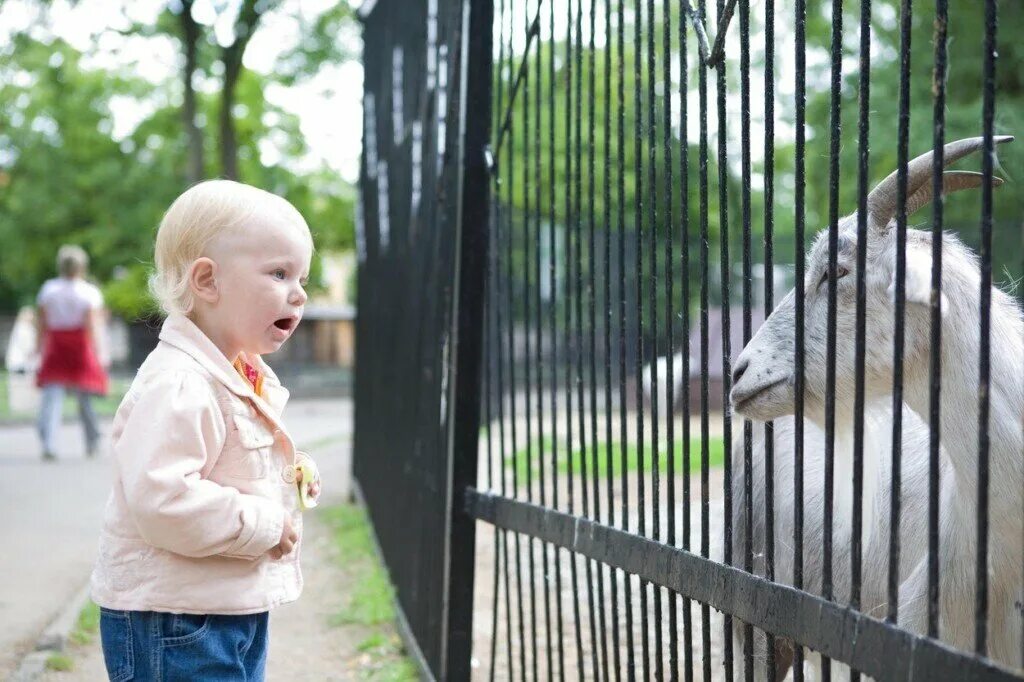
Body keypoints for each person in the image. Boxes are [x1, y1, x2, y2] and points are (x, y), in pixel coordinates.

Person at [91, 180, 323, 681]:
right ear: (207, 281)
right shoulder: (180, 383)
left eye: (301, 277)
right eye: (279, 273)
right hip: (175, 619)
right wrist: (264, 524)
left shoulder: (236, 372)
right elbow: (163, 499)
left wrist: (292, 474)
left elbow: (232, 462)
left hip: (223, 604)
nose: (299, 293)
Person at [35, 245, 109, 460]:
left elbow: (42, 323)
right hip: (79, 345)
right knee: (84, 395)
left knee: (52, 395)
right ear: (82, 267)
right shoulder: (88, 292)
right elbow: (92, 326)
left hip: (56, 344)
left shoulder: (48, 290)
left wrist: (38, 347)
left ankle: (48, 441)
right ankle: (92, 439)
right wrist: (99, 352)